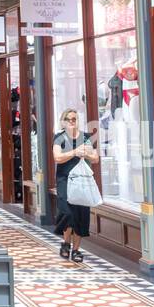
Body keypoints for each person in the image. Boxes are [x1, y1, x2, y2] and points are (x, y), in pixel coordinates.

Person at [53, 108, 99, 263]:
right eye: (69, 119)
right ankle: (66, 243)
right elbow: (57, 157)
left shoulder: (85, 138)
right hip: (64, 180)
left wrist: (86, 154)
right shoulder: (60, 138)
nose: (72, 122)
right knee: (67, 213)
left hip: (82, 180)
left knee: (81, 214)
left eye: (75, 119)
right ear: (63, 121)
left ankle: (76, 250)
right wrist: (74, 152)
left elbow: (95, 158)